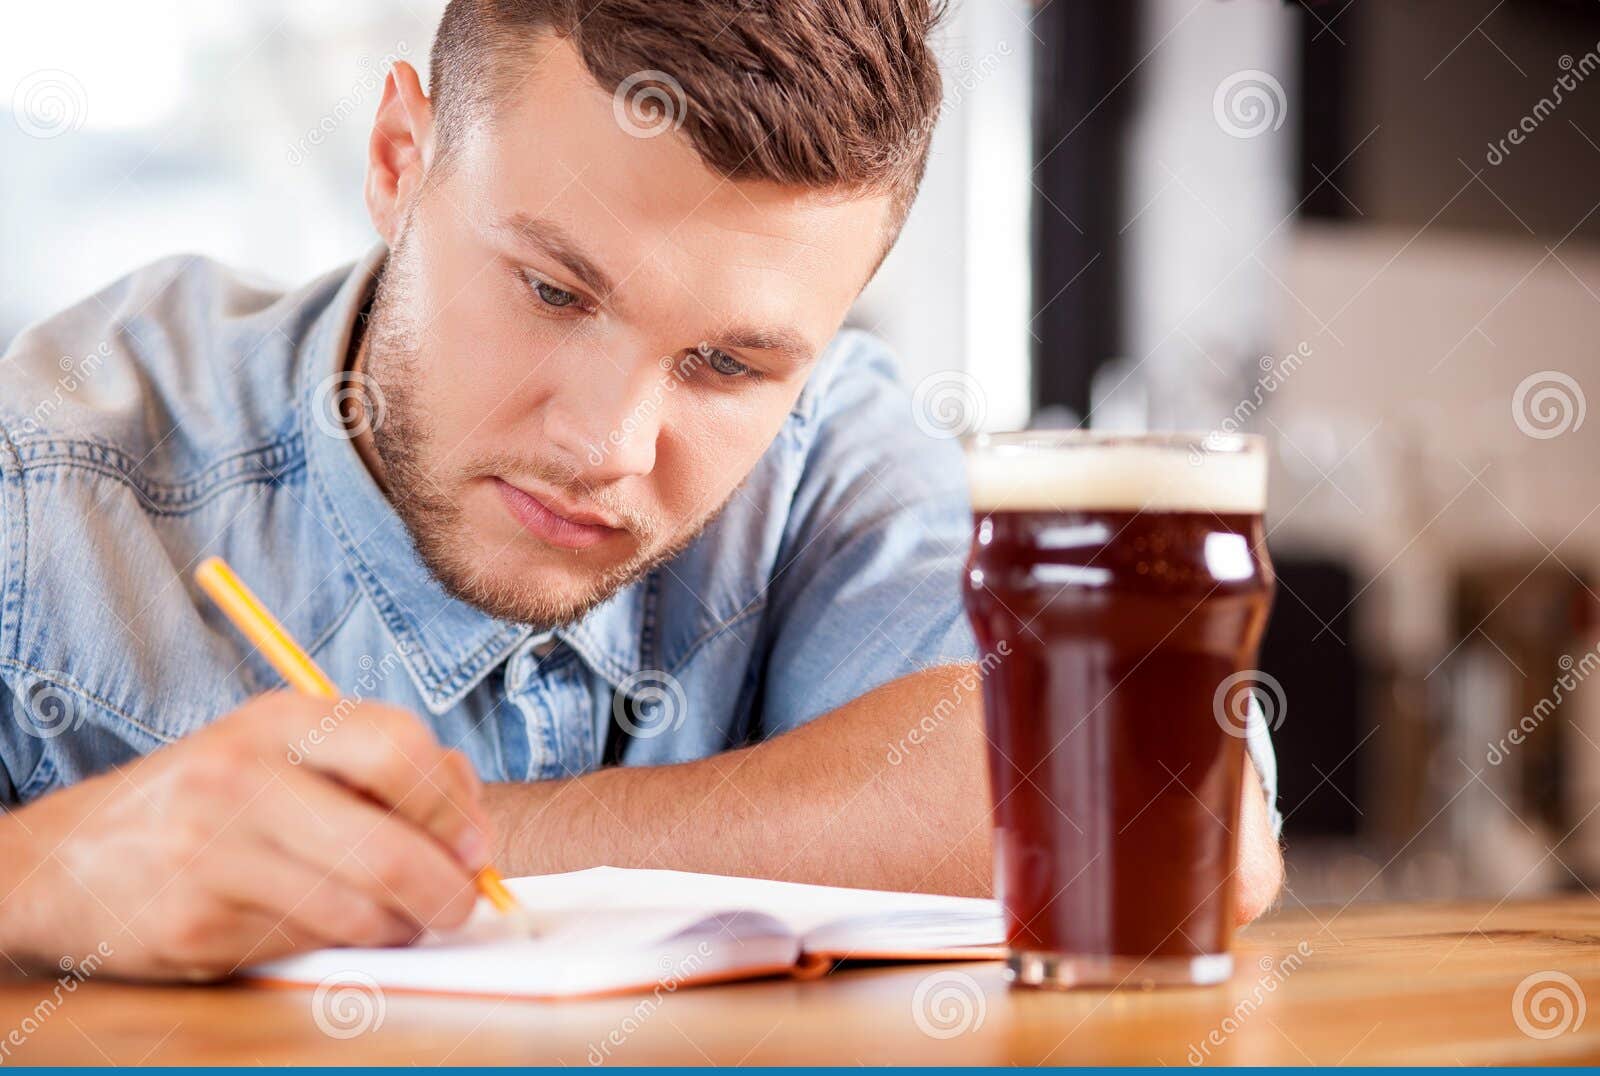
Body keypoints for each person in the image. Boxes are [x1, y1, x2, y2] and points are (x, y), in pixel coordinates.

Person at [0, 0, 1283, 980]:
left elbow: (1170, 802)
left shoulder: (828, 449)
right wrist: (38, 873)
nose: (608, 446)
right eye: (554, 292)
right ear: (399, 158)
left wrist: (453, 849)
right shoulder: (48, 480)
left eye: (726, 363)